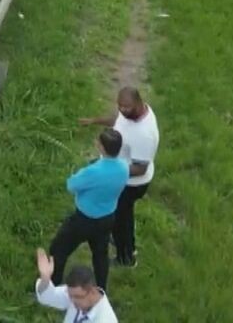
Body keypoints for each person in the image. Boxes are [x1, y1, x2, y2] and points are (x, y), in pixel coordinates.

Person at [80, 87, 160, 268]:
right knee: (120, 216)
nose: (123, 111)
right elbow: (118, 121)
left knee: (121, 220)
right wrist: (95, 121)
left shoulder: (145, 134)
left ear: (139, 103)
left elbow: (140, 168)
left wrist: (109, 171)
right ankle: (119, 239)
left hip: (132, 184)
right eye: (120, 106)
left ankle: (126, 258)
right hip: (121, 176)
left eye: (127, 108)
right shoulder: (130, 113)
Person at [48, 128, 129, 293]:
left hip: (84, 219)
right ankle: (101, 290)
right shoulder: (124, 167)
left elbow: (71, 185)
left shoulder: (93, 171)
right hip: (107, 218)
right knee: (100, 256)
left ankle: (52, 287)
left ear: (101, 147)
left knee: (58, 249)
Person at [35, 249, 119, 322]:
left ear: (92, 291)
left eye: (76, 297)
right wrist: (45, 279)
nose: (73, 301)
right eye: (70, 296)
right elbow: (48, 297)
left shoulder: (105, 320)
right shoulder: (75, 294)